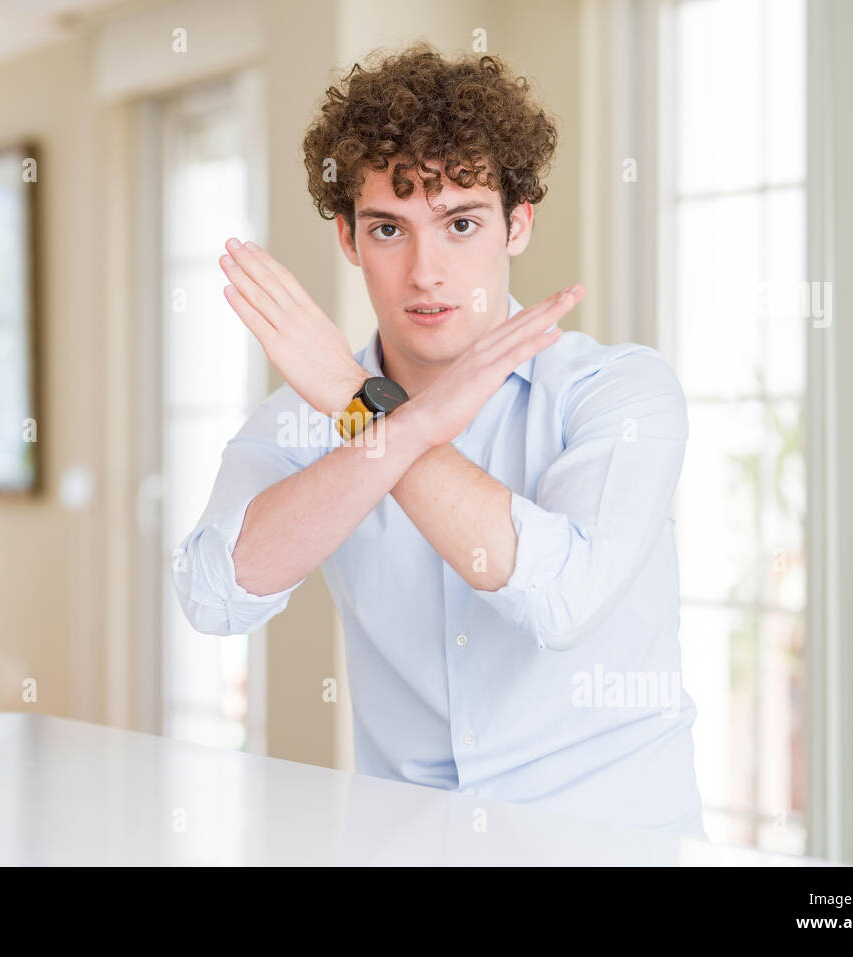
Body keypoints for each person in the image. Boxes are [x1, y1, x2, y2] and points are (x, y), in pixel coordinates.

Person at [172, 42, 706, 838]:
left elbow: (563, 599)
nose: (426, 271)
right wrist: (394, 416)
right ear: (350, 239)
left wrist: (364, 410)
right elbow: (215, 596)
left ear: (516, 224)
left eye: (461, 223)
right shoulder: (305, 411)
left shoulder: (620, 393)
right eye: (390, 229)